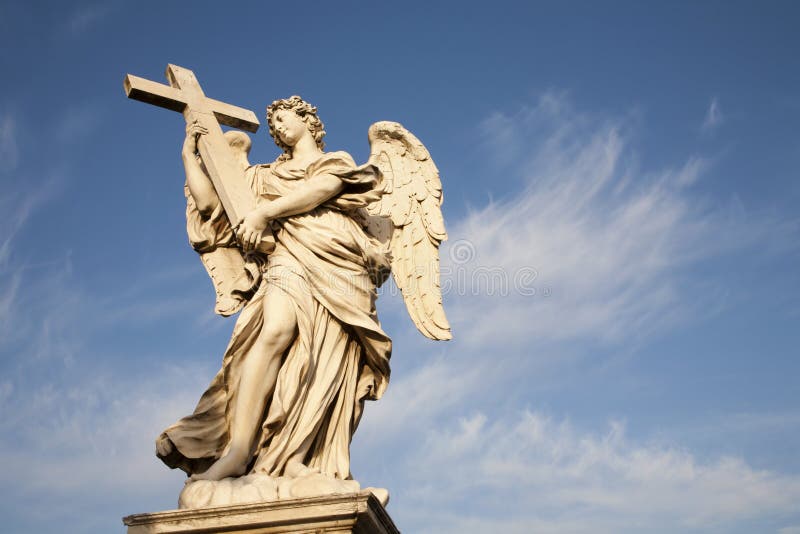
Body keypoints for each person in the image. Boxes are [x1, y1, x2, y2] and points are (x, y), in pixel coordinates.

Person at [156, 96, 392, 485]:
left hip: (341, 267)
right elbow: (210, 205)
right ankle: (239, 450)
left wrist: (265, 212)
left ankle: (299, 456)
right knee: (275, 330)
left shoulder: (335, 161)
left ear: (307, 120)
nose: (278, 128)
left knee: (325, 360)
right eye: (273, 125)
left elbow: (322, 189)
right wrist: (190, 154)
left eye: (284, 119)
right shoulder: (263, 176)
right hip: (289, 256)